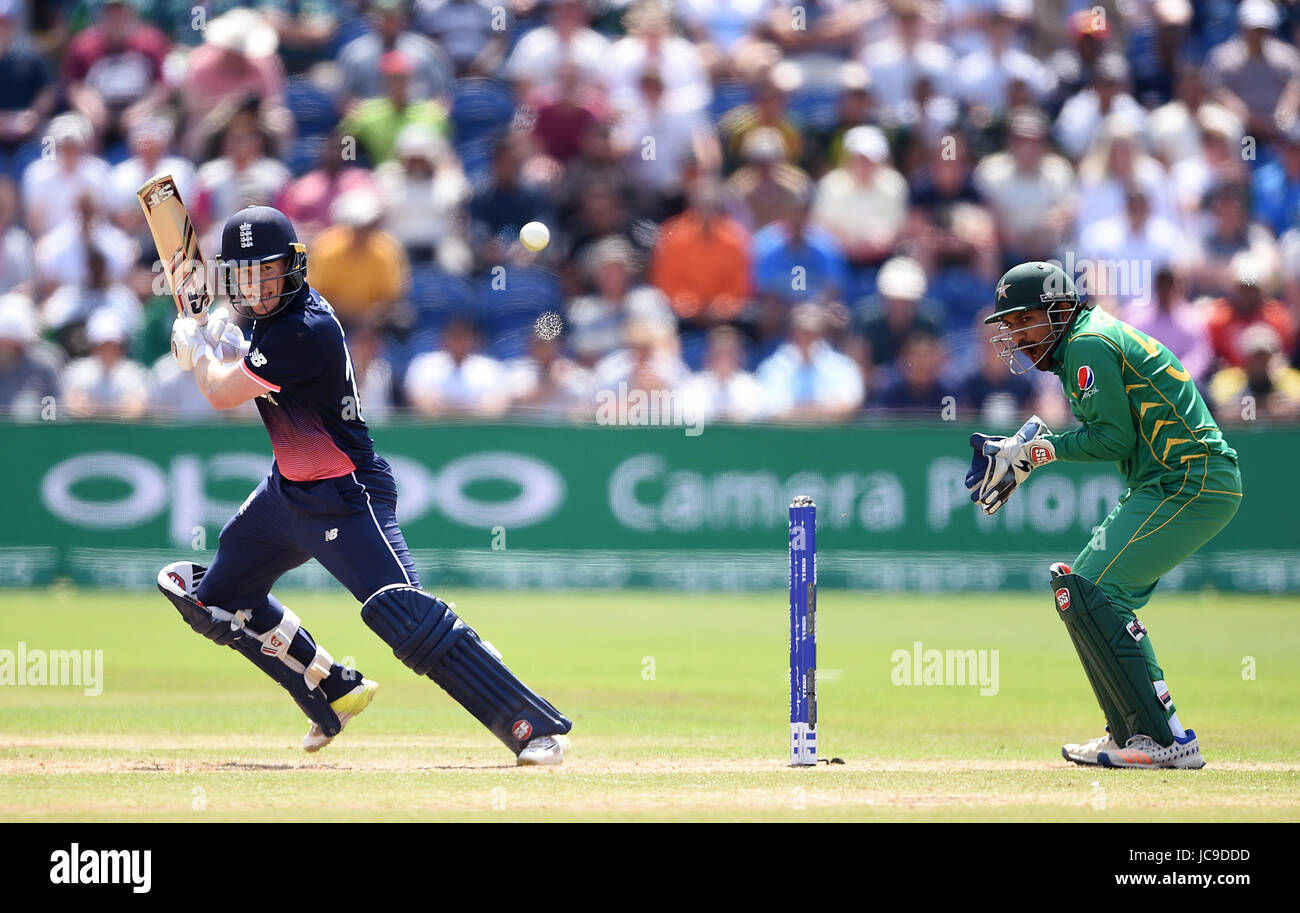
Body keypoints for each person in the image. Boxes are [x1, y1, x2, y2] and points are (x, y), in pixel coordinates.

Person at [160, 204, 571, 764]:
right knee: (211, 600)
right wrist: (215, 337)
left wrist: (199, 351)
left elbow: (220, 393)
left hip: (347, 497)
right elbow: (247, 357)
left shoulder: (305, 328)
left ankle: (530, 725)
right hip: (287, 494)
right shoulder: (270, 322)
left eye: (268, 272)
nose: (256, 288)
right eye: (244, 275)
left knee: (402, 613)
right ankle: (331, 688)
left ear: (295, 267)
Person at [968, 261, 1242, 769]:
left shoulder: (1089, 343)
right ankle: (1131, 733)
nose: (1015, 335)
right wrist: (1034, 448)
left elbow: (1111, 438)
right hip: (1164, 480)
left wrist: (1037, 452)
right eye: (1010, 325)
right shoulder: (1083, 343)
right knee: (1079, 592)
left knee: (1095, 592)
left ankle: (1167, 740)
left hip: (1191, 477)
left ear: (1058, 310)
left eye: (1023, 320)